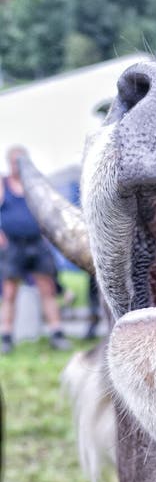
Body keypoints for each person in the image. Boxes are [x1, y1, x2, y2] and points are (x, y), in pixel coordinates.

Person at [0, 147, 71, 353]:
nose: (18, 166)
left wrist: (48, 235)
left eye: (21, 162)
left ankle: (56, 334)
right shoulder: (3, 184)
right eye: (14, 162)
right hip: (13, 245)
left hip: (37, 244)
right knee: (10, 292)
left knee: (47, 288)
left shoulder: (35, 185)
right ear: (9, 163)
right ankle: (6, 336)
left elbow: (50, 211)